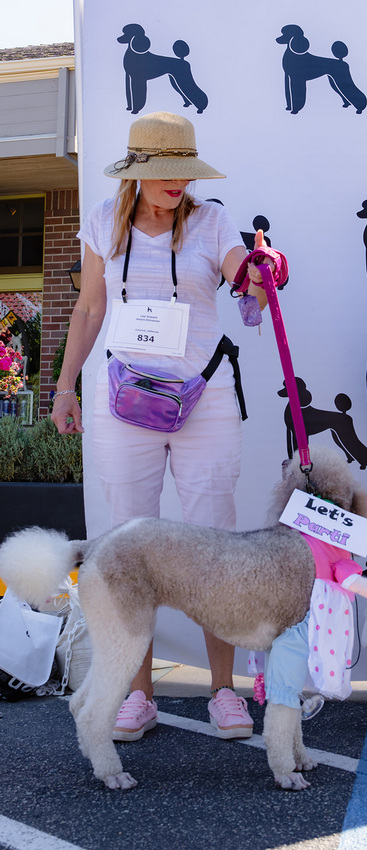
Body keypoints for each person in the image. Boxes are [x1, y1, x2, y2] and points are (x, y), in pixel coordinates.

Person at [52, 111, 273, 743]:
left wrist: (258, 275)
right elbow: (90, 307)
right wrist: (64, 386)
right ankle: (139, 694)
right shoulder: (103, 220)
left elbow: (243, 275)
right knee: (131, 547)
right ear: (136, 172)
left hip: (204, 398)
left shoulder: (212, 221)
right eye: (164, 170)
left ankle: (224, 691)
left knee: (214, 545)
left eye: (185, 170)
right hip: (124, 402)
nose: (177, 182)